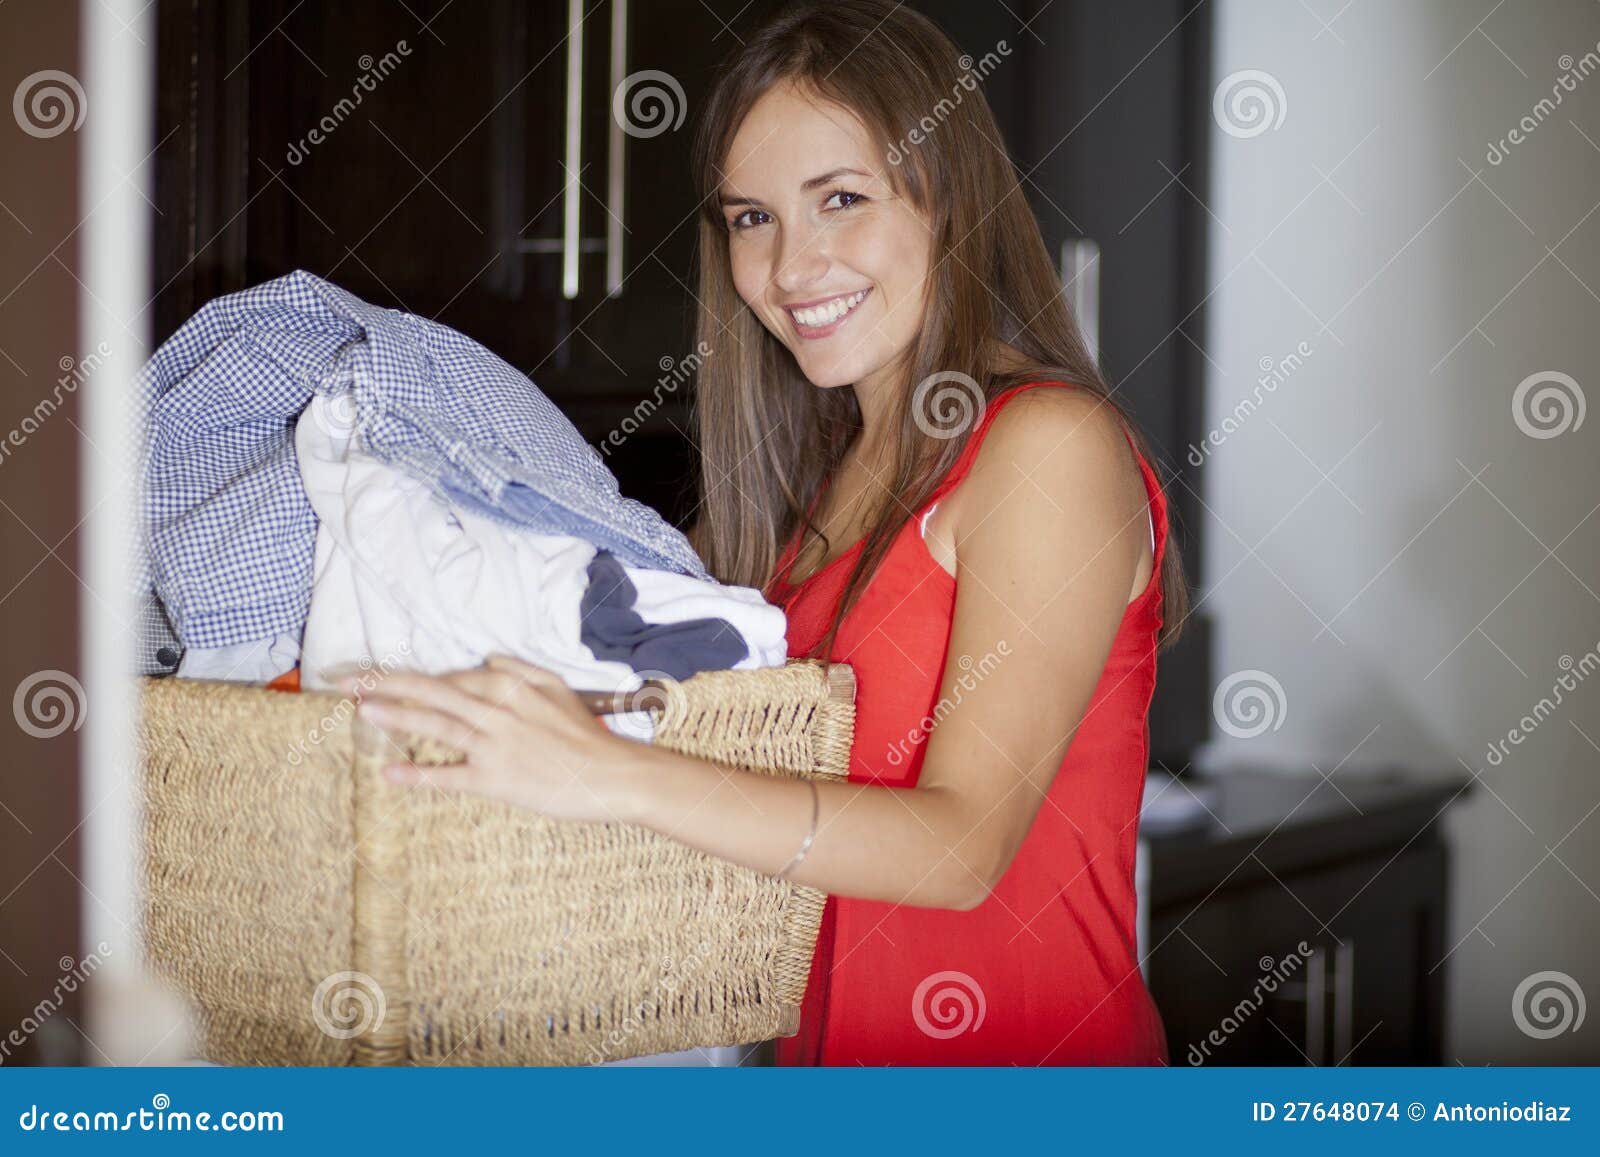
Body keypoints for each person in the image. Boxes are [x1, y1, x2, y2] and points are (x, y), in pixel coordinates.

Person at [348, 0, 1189, 1066]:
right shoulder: (799, 497)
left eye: (840, 198)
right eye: (752, 218)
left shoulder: (1045, 444)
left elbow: (963, 847)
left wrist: (604, 770)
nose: (792, 268)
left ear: (951, 201)